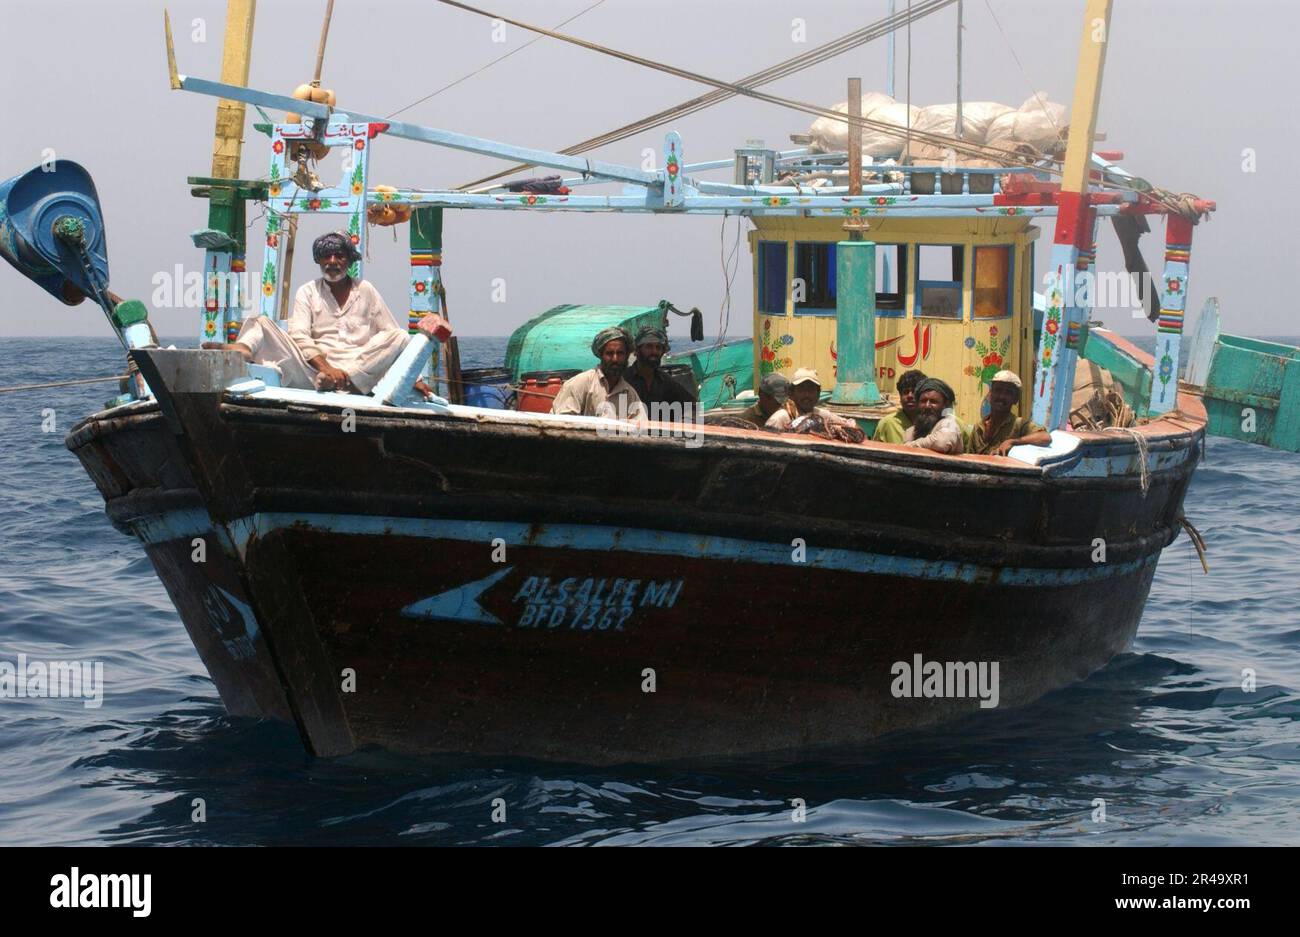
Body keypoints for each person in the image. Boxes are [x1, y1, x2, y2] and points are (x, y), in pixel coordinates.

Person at [206, 232, 411, 394]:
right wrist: (325, 367)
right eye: (326, 257)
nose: (332, 261)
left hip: (357, 372)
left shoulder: (366, 290)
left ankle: (342, 383)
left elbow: (390, 334)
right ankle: (243, 348)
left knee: (400, 336)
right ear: (318, 261)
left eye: (339, 256)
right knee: (260, 321)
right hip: (314, 372)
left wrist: (414, 380)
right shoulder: (307, 291)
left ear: (348, 261)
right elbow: (300, 336)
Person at [551, 326, 646, 420]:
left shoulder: (629, 394)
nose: (615, 359)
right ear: (601, 355)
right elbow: (563, 424)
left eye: (620, 353)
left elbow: (641, 427)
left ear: (626, 356)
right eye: (609, 353)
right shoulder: (580, 383)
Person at [767, 368, 865, 443]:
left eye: (811, 390)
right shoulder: (781, 418)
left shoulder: (822, 415)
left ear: (818, 393)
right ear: (791, 393)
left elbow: (856, 430)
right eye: (801, 390)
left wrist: (839, 429)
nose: (807, 395)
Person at [968, 370, 1053, 455]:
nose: (1001, 396)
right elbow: (969, 460)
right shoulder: (978, 428)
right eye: (998, 390)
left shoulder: (1019, 425)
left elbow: (1045, 437)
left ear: (1015, 399)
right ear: (990, 394)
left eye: (1008, 392)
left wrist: (1012, 442)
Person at [624, 325, 696, 420]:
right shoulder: (624, 379)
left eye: (658, 347)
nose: (654, 351)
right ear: (637, 350)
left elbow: (691, 407)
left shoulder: (664, 380)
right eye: (649, 346)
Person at [903, 377, 964, 454]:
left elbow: (942, 443)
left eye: (933, 401)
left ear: (944, 405)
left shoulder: (949, 424)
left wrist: (910, 445)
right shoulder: (911, 431)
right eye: (923, 401)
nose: (927, 406)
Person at [872, 368, 927, 443]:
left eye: (914, 391)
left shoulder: (932, 423)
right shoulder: (887, 423)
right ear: (900, 397)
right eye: (905, 392)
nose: (910, 396)